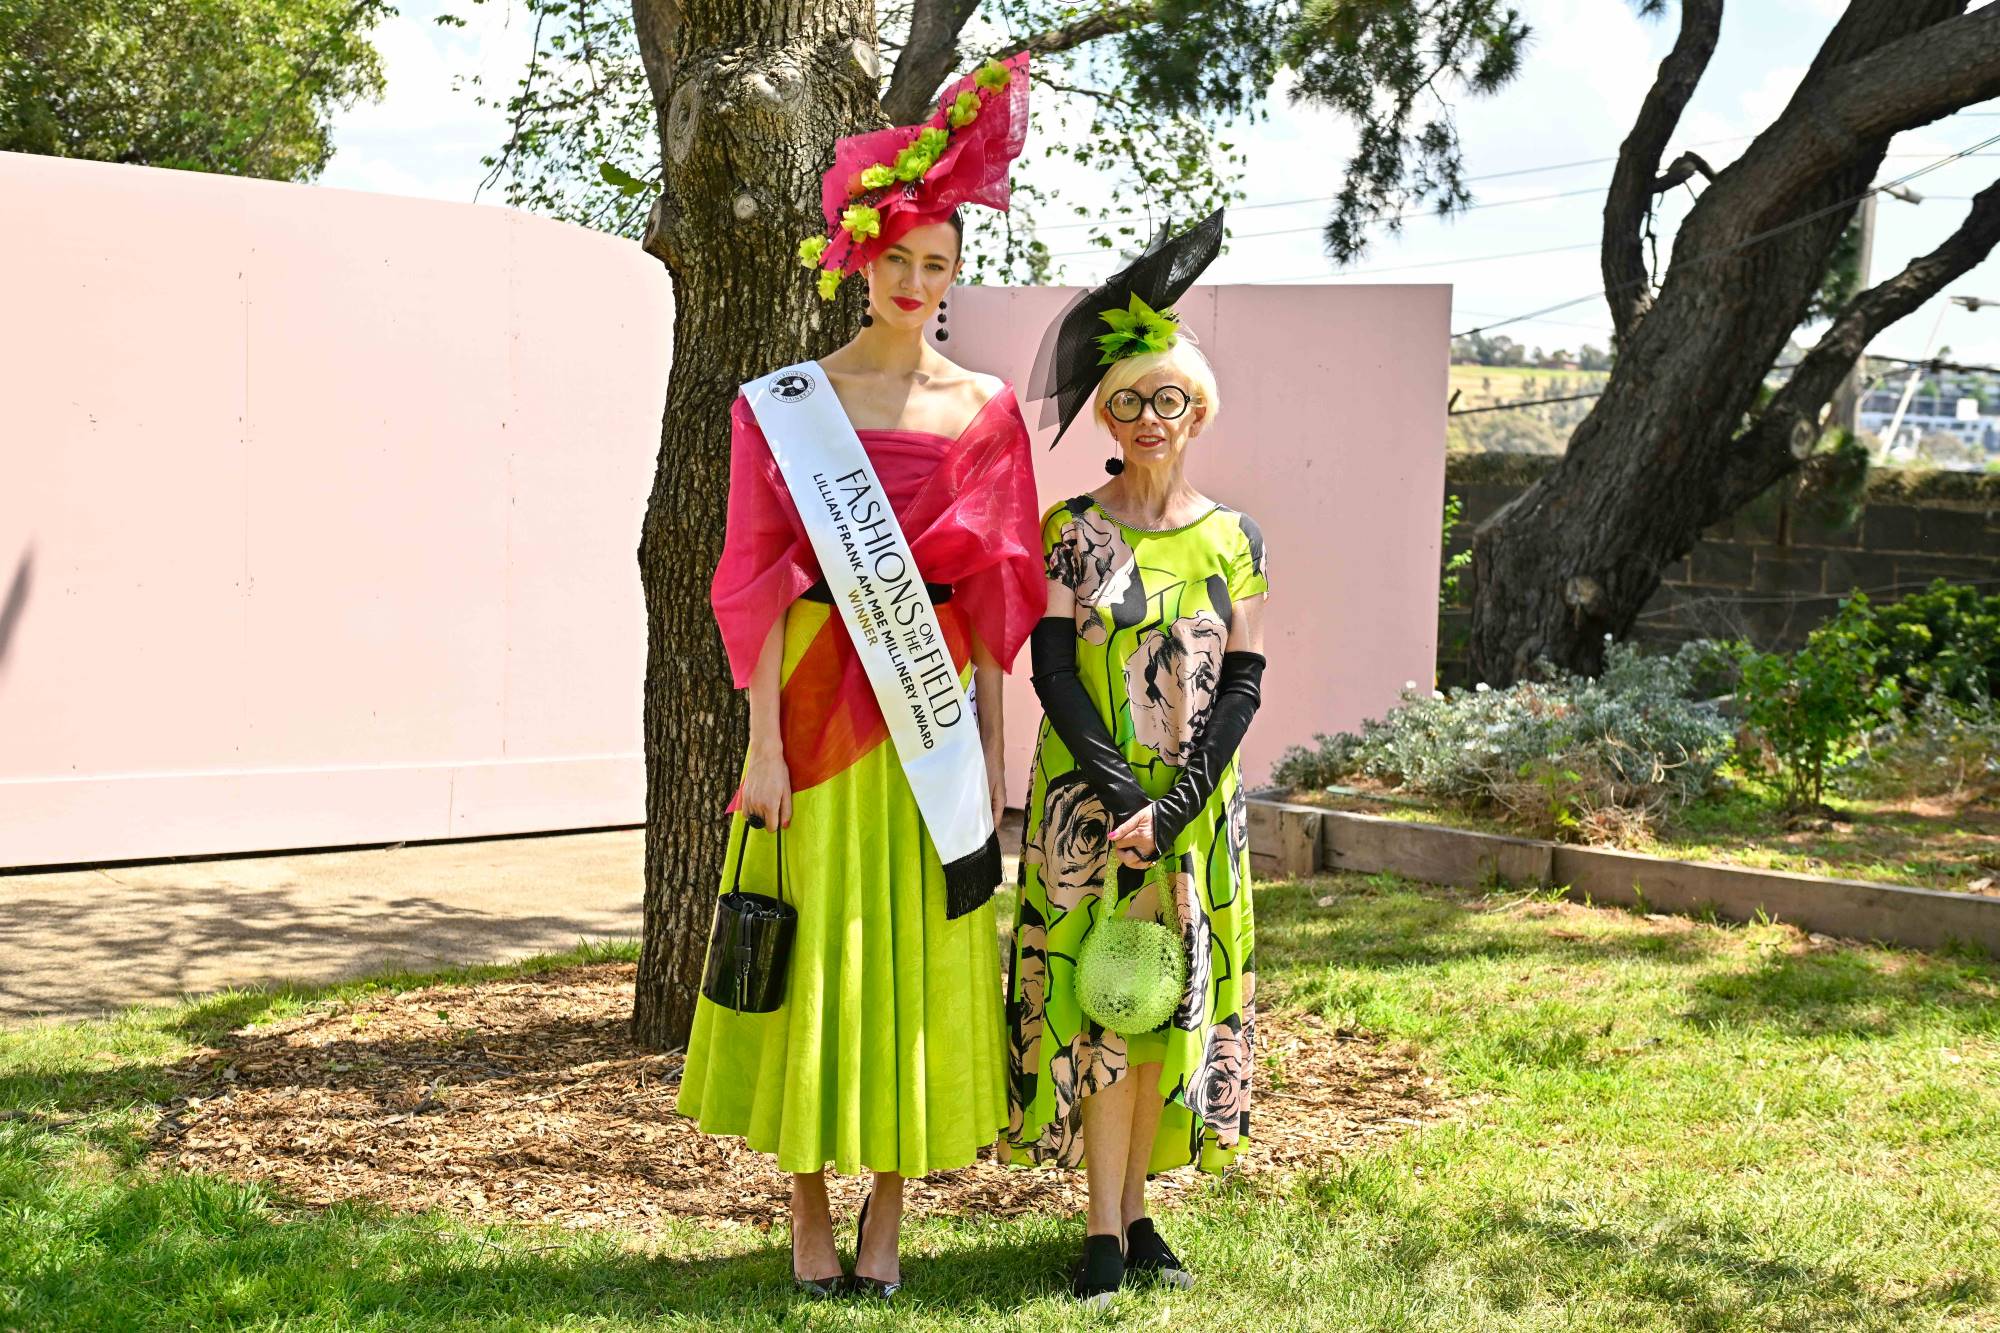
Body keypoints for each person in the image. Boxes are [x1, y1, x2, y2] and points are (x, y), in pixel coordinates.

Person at [675, 54, 1043, 1300]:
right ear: (858, 254)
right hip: (821, 707)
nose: (915, 283)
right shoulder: (784, 405)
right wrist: (760, 749)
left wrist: (987, 762)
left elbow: (994, 603)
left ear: (953, 276)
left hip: (929, 717)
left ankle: (889, 1208)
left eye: (938, 264)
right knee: (819, 949)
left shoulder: (986, 407)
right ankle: (806, 1212)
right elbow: (754, 576)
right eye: (897, 258)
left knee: (916, 950)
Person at [1005, 212, 1271, 1305]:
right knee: (1106, 1002)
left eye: (1170, 400)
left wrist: (1175, 806)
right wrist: (1122, 795)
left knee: (1171, 1000)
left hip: (1195, 811)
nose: (1150, 419)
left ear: (1195, 409)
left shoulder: (1233, 537)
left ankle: (1142, 1208)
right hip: (1089, 803)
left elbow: (1245, 680)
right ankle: (1099, 1228)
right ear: (1104, 413)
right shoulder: (1072, 525)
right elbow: (1053, 668)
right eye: (1128, 401)